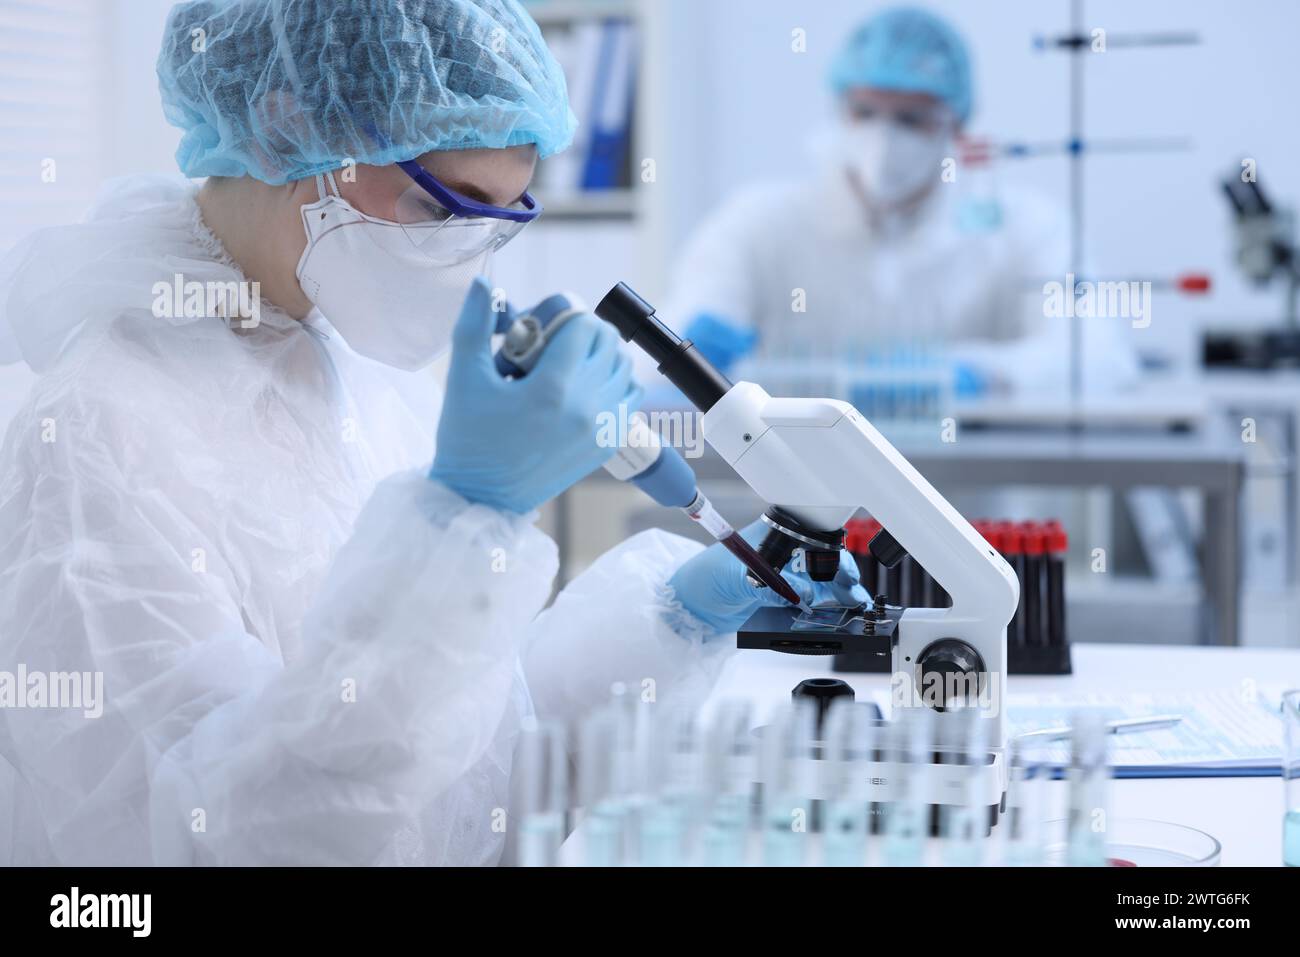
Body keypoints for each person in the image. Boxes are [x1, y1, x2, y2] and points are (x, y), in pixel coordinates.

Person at [0, 0, 863, 865]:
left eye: (500, 216)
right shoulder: (94, 435)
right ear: (284, 124)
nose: (467, 254)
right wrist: (465, 519)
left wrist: (673, 619)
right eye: (438, 204)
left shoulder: (361, 365)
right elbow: (245, 835)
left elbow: (472, 761)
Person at [668, 6, 1135, 397]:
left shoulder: (1027, 229)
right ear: (839, 110)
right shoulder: (757, 224)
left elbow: (1100, 358)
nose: (884, 138)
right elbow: (653, 358)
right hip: (790, 503)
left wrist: (978, 374)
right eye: (866, 113)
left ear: (957, 125)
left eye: (913, 120)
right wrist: (683, 353)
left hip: (964, 503)